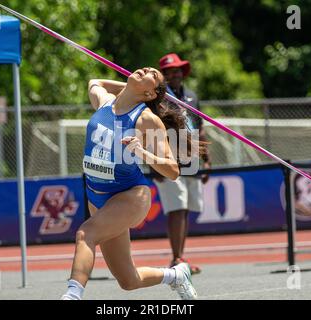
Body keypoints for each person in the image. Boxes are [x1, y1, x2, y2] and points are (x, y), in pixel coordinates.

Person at [61, 67, 204, 300]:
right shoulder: (105, 102)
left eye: (153, 74)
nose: (146, 69)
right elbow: (94, 81)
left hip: (130, 195)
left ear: (149, 94)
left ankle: (72, 295)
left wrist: (143, 153)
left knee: (85, 234)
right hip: (97, 196)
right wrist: (130, 88)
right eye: (147, 68)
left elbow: (173, 170)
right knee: (128, 280)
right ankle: (176, 275)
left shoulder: (147, 120)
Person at [155, 53, 212, 274]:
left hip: (192, 158)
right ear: (163, 77)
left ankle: (180, 256)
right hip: (168, 157)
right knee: (176, 208)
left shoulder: (191, 96)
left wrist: (207, 160)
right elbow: (148, 128)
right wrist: (153, 164)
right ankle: (176, 258)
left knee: (186, 208)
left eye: (177, 70)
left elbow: (200, 128)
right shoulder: (156, 97)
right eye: (168, 72)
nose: (174, 74)